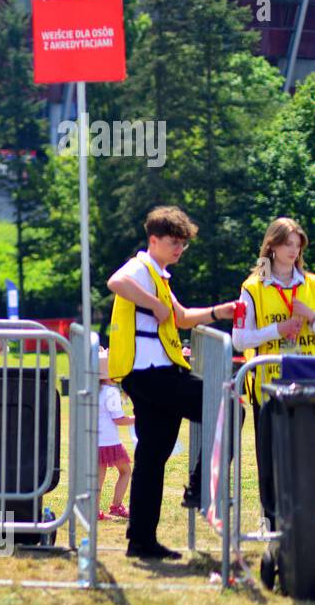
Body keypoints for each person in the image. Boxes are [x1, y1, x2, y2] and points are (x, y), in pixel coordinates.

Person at [107, 206, 238, 560]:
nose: (179, 248)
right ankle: (199, 485)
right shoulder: (142, 267)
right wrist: (152, 304)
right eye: (174, 242)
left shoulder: (159, 274)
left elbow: (179, 317)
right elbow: (115, 282)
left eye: (183, 243)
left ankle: (141, 541)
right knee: (228, 406)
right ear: (154, 240)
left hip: (149, 375)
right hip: (152, 373)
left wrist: (219, 311)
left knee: (152, 456)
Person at [232, 217, 315, 532]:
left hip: (308, 381)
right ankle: (270, 522)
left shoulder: (311, 283)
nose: (293, 250)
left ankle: (306, 521)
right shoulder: (252, 286)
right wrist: (276, 330)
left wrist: (312, 317)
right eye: (287, 244)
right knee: (270, 458)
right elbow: (240, 339)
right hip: (268, 385)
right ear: (272, 246)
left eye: (298, 244)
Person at [96, 350, 134, 521]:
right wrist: (136, 419)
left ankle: (94, 510)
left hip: (94, 440)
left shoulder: (93, 389)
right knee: (126, 471)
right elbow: (118, 419)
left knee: (98, 479)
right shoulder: (111, 393)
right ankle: (116, 506)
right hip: (109, 442)